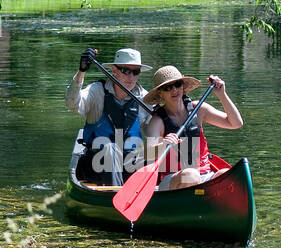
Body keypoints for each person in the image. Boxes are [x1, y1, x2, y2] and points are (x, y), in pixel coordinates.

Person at [143, 65, 244, 190]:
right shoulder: (157, 121)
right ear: (160, 92)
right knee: (191, 175)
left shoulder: (199, 109)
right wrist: (163, 144)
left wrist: (221, 95)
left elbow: (236, 123)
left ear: (183, 86)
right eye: (168, 87)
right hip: (173, 179)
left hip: (205, 175)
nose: (174, 90)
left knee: (227, 174)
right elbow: (148, 154)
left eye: (178, 84)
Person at [67, 47, 151, 185]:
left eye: (135, 72)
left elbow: (157, 129)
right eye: (126, 71)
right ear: (114, 70)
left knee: (156, 151)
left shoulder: (145, 98)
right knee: (110, 149)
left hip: (130, 164)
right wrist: (81, 72)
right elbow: (72, 104)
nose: (131, 77)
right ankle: (116, 195)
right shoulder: (97, 91)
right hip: (96, 164)